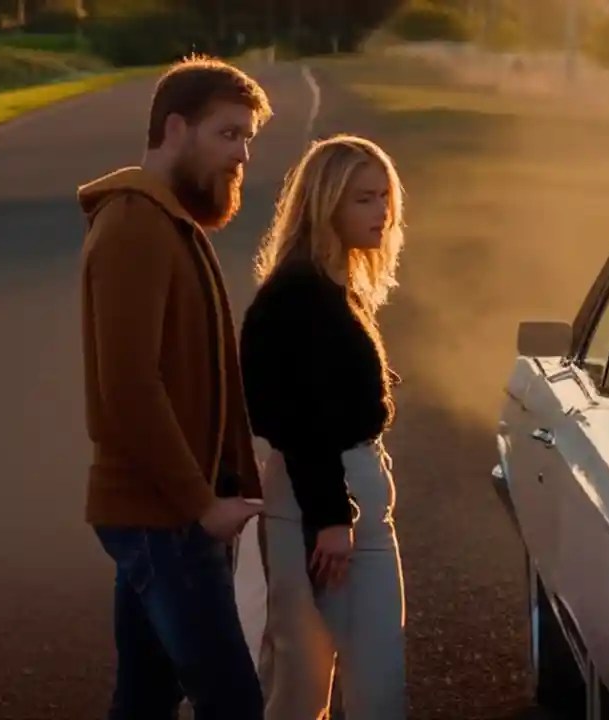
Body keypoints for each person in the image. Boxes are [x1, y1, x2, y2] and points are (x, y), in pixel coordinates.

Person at [75, 55, 272, 719]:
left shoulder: (166, 221)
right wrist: (200, 503)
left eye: (247, 139)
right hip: (165, 517)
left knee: (145, 699)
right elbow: (127, 386)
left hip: (168, 513)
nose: (241, 155)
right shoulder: (134, 224)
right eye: (228, 135)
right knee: (234, 702)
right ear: (177, 128)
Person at [240, 134, 408, 720]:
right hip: (326, 500)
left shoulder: (335, 288)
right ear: (326, 204)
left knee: (313, 679)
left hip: (339, 494)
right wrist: (330, 518)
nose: (381, 212)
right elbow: (291, 418)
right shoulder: (298, 295)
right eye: (363, 199)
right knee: (337, 683)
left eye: (385, 197)